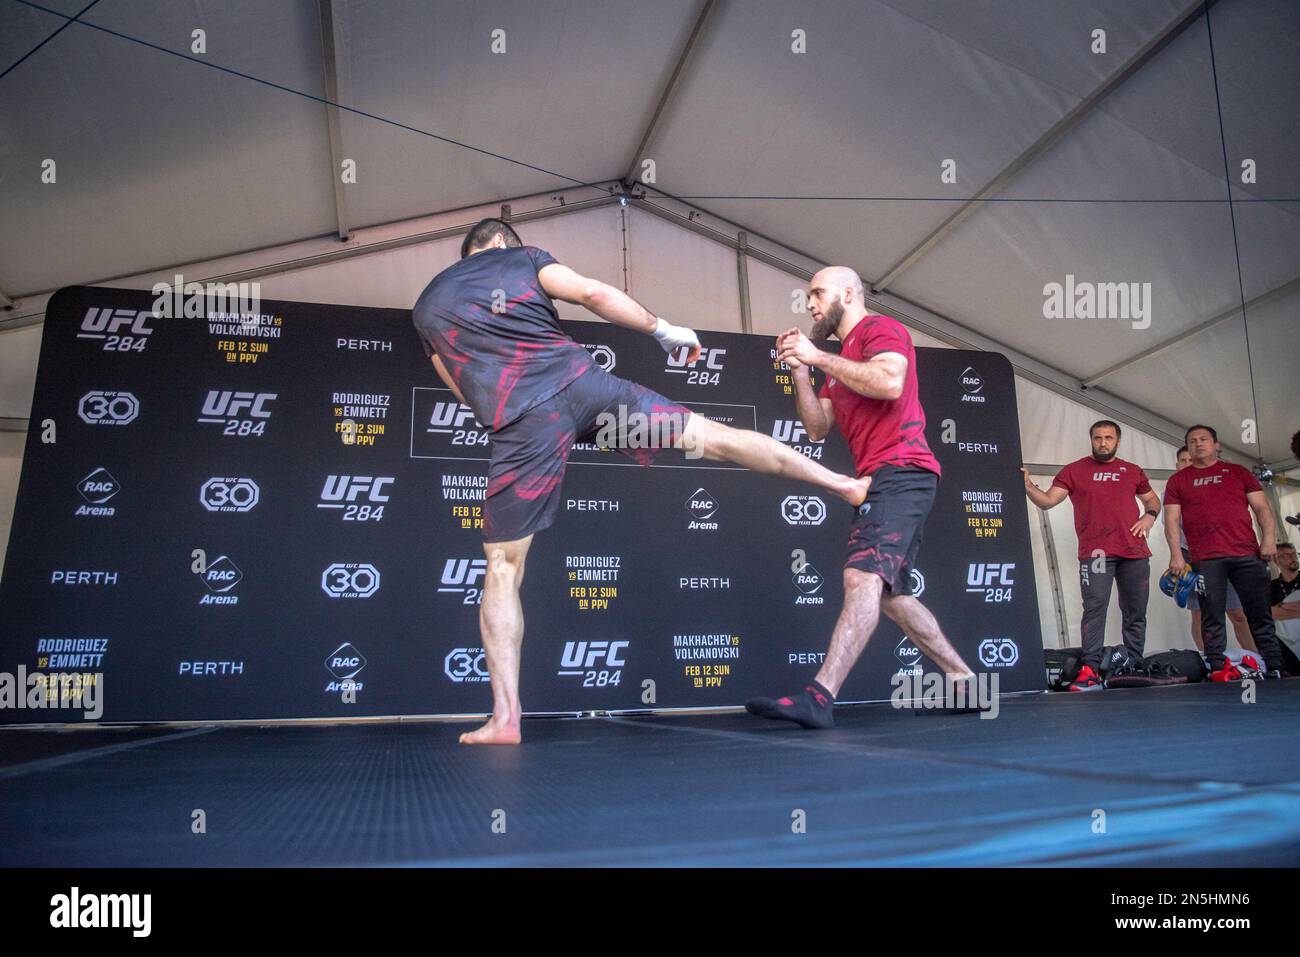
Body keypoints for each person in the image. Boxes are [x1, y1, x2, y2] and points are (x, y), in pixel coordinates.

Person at [412, 219, 869, 744]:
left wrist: (509, 410)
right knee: (714, 437)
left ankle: (506, 719)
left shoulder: (427, 308)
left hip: (524, 421)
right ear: (499, 245)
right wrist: (663, 329)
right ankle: (843, 484)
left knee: (502, 567)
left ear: (465, 255)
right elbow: (592, 293)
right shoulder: (523, 258)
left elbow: (460, 387)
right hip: (587, 393)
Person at [744, 266, 978, 729]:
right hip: (883, 477)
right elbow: (817, 427)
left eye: (816, 294)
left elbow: (889, 382)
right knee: (891, 594)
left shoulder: (880, 330)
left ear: (848, 293)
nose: (809, 304)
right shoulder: (845, 356)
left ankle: (820, 695)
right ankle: (966, 683)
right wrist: (802, 372)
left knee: (861, 578)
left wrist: (819, 356)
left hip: (902, 469)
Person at [1022, 421, 1159, 691]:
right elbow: (1048, 501)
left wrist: (1149, 517)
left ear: (1118, 441)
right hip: (1097, 553)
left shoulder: (1132, 471)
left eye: (1109, 438)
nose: (1103, 442)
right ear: (1092, 440)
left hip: (1134, 552)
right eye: (1098, 438)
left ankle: (1133, 663)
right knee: (1095, 610)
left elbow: (1152, 500)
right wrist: (1027, 485)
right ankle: (1091, 669)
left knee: (1135, 611)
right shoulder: (1074, 470)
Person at [1162, 424, 1285, 679]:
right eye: (1192, 440)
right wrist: (1175, 555)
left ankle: (1273, 666)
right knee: (1211, 615)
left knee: (1258, 613)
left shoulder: (1238, 472)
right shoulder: (1178, 481)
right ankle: (1216, 667)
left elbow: (1262, 508)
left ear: (1216, 444)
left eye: (1204, 439)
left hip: (1246, 554)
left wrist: (1269, 539)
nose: (1198, 443)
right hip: (1206, 559)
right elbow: (1172, 521)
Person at [1173, 446, 1256, 653]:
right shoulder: (1174, 489)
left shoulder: (1216, 484)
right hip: (1190, 555)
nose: (1187, 464)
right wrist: (1177, 558)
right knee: (1199, 612)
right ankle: (1208, 660)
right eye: (1183, 460)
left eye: (1190, 460)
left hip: (1223, 553)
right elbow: (1173, 528)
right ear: (1177, 465)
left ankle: (1256, 659)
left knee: (1237, 612)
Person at [1269, 542, 1300, 674]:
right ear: (1276, 561)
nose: (1292, 558)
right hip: (1284, 644)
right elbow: (1268, 614)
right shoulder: (1271, 587)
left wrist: (1281, 607)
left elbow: (1275, 612)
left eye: (1294, 554)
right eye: (1286, 556)